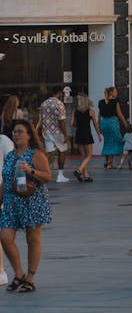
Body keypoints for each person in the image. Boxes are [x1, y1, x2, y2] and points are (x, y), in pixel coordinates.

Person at [0, 120, 51, 294]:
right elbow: (5, 180)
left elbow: (47, 176)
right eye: (14, 132)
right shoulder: (11, 155)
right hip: (11, 202)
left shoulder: (36, 154)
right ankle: (19, 273)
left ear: (29, 135)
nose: (16, 134)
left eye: (20, 131)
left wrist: (31, 171)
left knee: (32, 239)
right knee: (5, 237)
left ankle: (30, 278)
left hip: (32, 201)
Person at [35, 90, 69, 185]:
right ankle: (60, 175)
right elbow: (61, 122)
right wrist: (65, 135)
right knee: (62, 151)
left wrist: (36, 131)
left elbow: (40, 120)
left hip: (46, 132)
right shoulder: (59, 104)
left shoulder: (43, 104)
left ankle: (41, 174)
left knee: (48, 153)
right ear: (58, 93)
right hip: (58, 132)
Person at [71, 93, 100, 183]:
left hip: (79, 133)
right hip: (87, 134)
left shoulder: (75, 111)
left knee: (83, 155)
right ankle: (79, 170)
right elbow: (95, 124)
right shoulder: (90, 111)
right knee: (89, 155)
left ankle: (86, 175)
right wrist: (99, 134)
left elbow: (72, 124)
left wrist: (78, 122)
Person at [97, 87, 128, 170]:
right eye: (115, 91)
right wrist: (126, 124)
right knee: (115, 141)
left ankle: (106, 161)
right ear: (111, 93)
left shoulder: (101, 102)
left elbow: (99, 115)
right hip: (112, 123)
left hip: (104, 123)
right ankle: (110, 164)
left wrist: (98, 125)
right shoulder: (115, 102)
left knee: (107, 141)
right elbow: (120, 114)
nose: (117, 93)